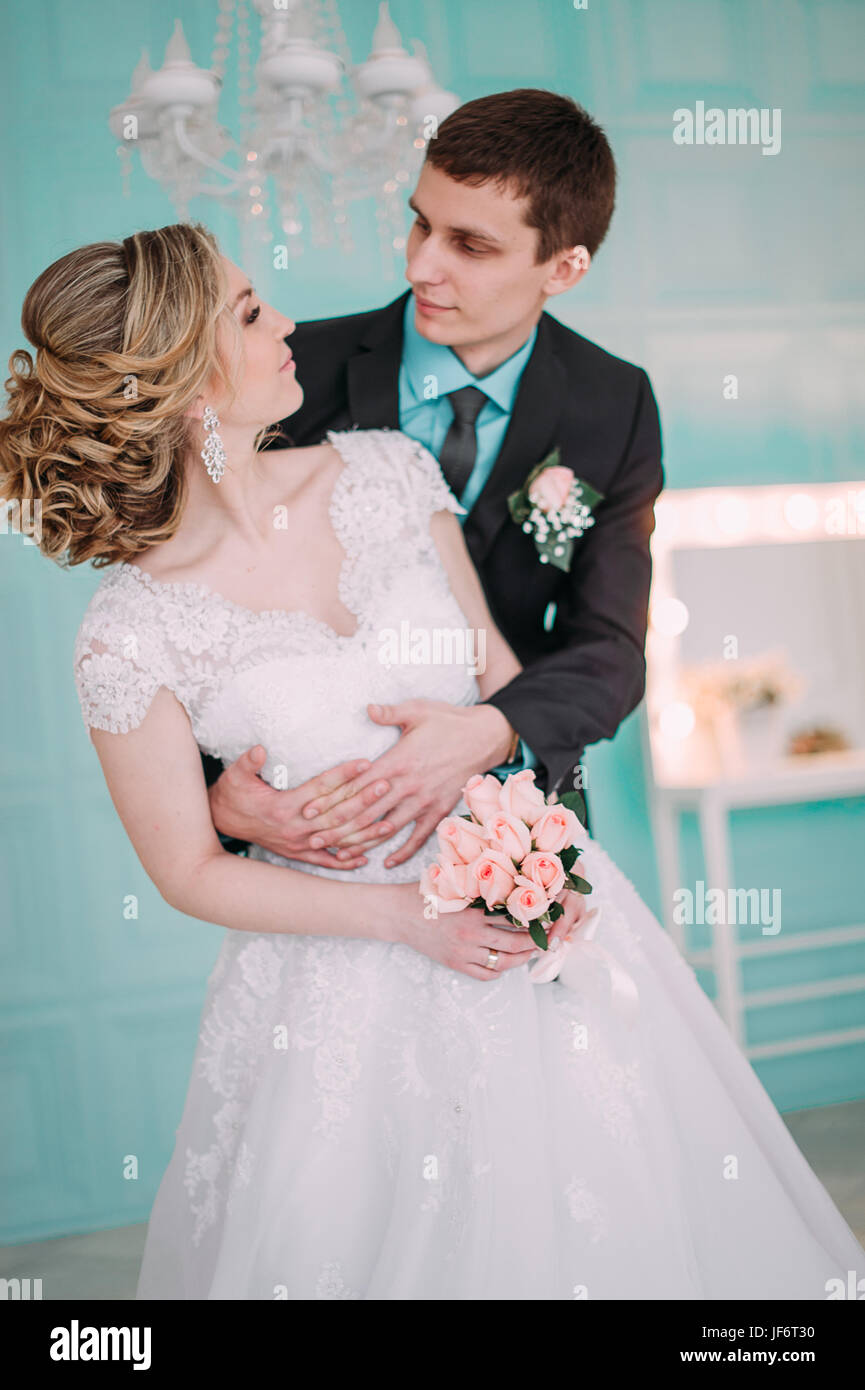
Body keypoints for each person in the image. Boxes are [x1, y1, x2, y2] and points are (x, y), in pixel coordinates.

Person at [1, 222, 861, 1300]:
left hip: (530, 919)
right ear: (183, 381)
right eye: (251, 310)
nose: (288, 324)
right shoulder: (128, 633)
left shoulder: (389, 472)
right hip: (335, 993)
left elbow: (501, 678)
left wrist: (536, 849)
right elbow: (183, 868)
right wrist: (403, 916)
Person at [201, 90, 664, 874]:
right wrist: (216, 797)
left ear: (564, 267)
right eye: (420, 221)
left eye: (469, 246)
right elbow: (193, 602)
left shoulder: (611, 406)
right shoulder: (290, 372)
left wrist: (493, 728)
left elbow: (610, 647)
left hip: (513, 830)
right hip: (324, 832)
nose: (420, 265)